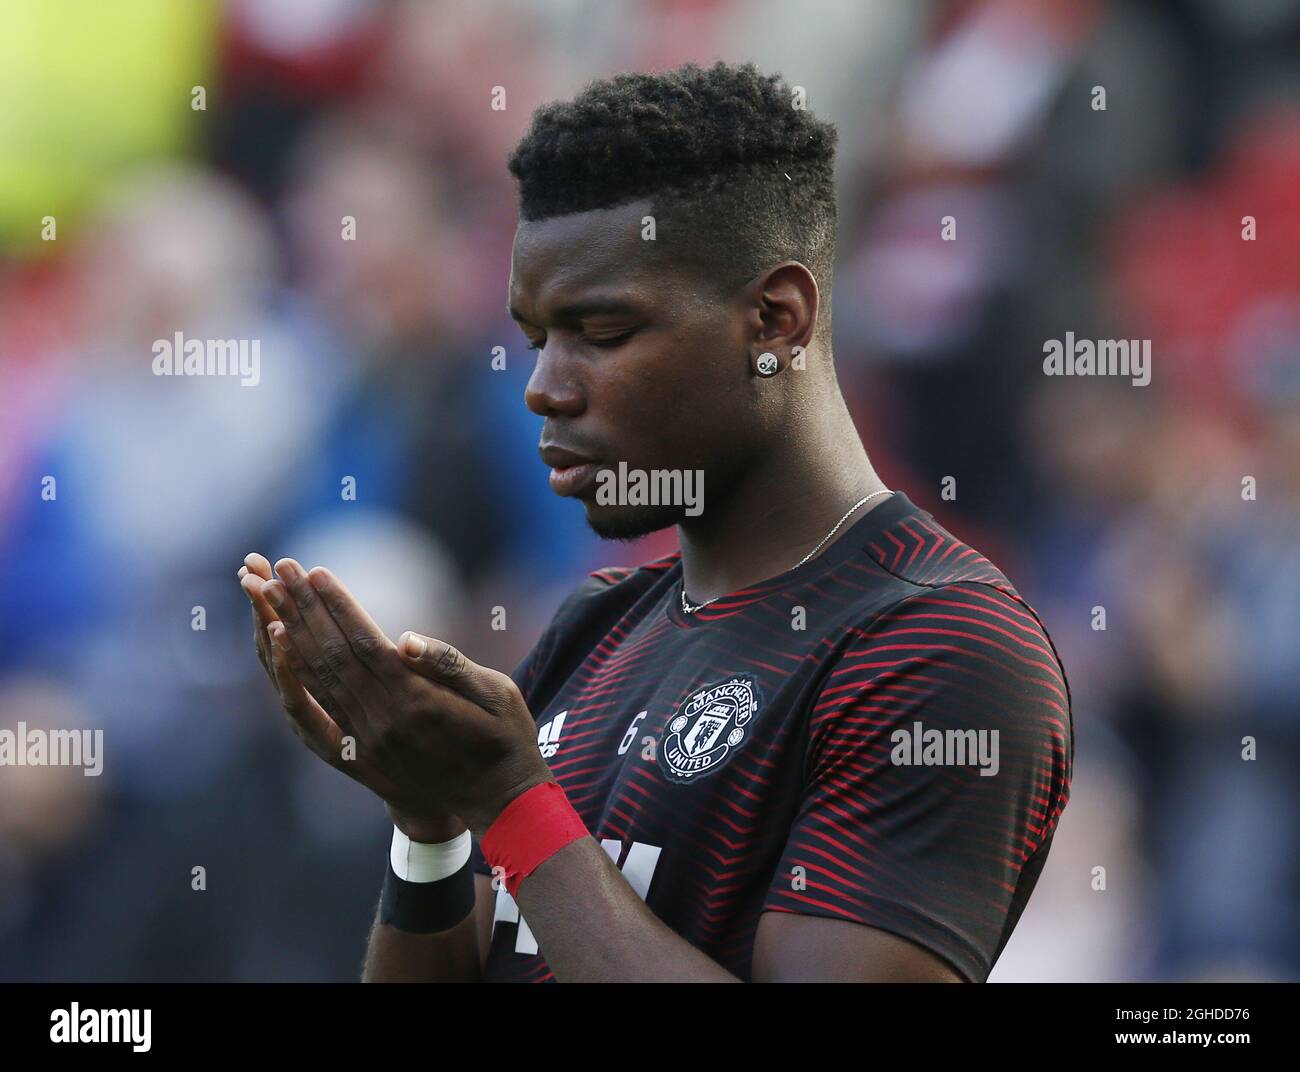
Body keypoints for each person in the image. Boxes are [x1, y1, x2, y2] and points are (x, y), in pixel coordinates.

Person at [239, 61, 1072, 983]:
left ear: (774, 321)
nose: (544, 388)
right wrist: (429, 824)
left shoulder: (935, 646)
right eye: (535, 339)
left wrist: (511, 803)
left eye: (601, 333)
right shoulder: (593, 627)